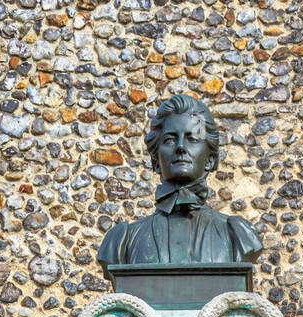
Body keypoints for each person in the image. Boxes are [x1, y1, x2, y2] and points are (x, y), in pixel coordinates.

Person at [97, 93, 262, 273]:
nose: (180, 147)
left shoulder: (238, 235)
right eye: (170, 139)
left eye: (192, 139)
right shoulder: (123, 240)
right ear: (156, 162)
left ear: (210, 160)